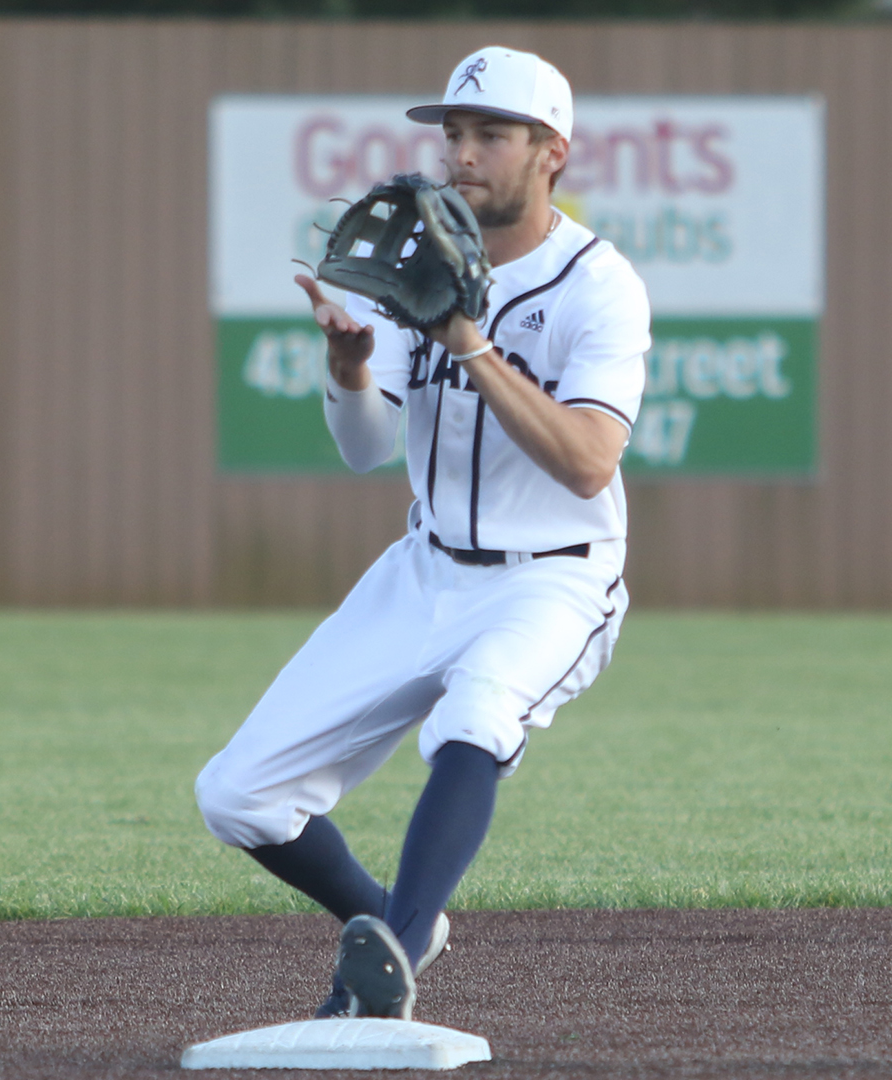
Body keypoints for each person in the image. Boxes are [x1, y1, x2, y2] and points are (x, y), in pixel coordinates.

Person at [194, 45, 651, 1021]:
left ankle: (372, 981)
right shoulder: (420, 261)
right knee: (236, 795)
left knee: (474, 718)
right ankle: (401, 930)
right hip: (426, 567)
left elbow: (587, 463)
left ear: (551, 152)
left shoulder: (598, 286)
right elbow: (363, 449)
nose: (463, 153)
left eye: (492, 133)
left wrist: (469, 344)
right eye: (453, 133)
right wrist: (352, 364)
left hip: (553, 579)